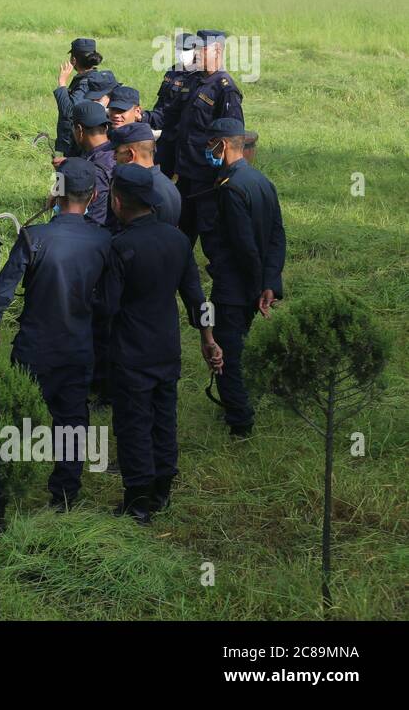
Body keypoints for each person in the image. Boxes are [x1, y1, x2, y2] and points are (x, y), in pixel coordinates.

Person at [99, 164, 223, 523]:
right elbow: (197, 298)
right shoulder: (178, 239)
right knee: (164, 419)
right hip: (167, 348)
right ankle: (163, 491)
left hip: (130, 353)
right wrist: (209, 340)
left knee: (134, 424)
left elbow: (108, 307)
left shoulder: (119, 247)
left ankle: (138, 502)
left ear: (117, 202)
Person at [0, 157, 111, 511]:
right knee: (73, 420)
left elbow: (2, 292)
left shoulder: (34, 236)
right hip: (78, 346)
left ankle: (0, 501)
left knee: (17, 420)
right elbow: (109, 301)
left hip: (34, 346)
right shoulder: (103, 241)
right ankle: (64, 496)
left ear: (55, 193)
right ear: (93, 196)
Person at [200, 118, 285, 438]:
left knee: (224, 355)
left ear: (222, 145)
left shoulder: (231, 188)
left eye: (210, 145)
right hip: (253, 285)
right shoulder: (261, 181)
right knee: (237, 349)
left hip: (234, 289)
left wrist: (254, 288)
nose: (207, 150)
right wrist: (270, 283)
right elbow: (277, 235)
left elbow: (243, 246)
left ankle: (240, 421)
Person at [174, 30, 244, 248]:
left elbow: (233, 138)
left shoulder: (225, 89)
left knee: (211, 238)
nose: (194, 54)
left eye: (200, 50)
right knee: (181, 233)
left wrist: (224, 176)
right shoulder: (194, 80)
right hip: (186, 172)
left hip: (207, 178)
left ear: (217, 51)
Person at [145, 31, 197, 176]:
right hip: (164, 134)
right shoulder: (172, 72)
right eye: (179, 49)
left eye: (186, 50)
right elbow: (161, 103)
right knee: (158, 173)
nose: (182, 54)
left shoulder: (198, 77)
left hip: (183, 138)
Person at [109, 122, 180, 226]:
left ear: (130, 154)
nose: (114, 157)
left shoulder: (138, 190)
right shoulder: (169, 185)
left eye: (116, 152)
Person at [52, 37, 104, 157]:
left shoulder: (85, 82)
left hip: (76, 144)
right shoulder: (94, 78)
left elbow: (69, 111)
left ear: (73, 60)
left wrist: (62, 83)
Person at [72, 101, 115, 230]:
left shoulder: (94, 169)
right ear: (106, 128)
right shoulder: (118, 152)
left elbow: (94, 220)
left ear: (79, 129)